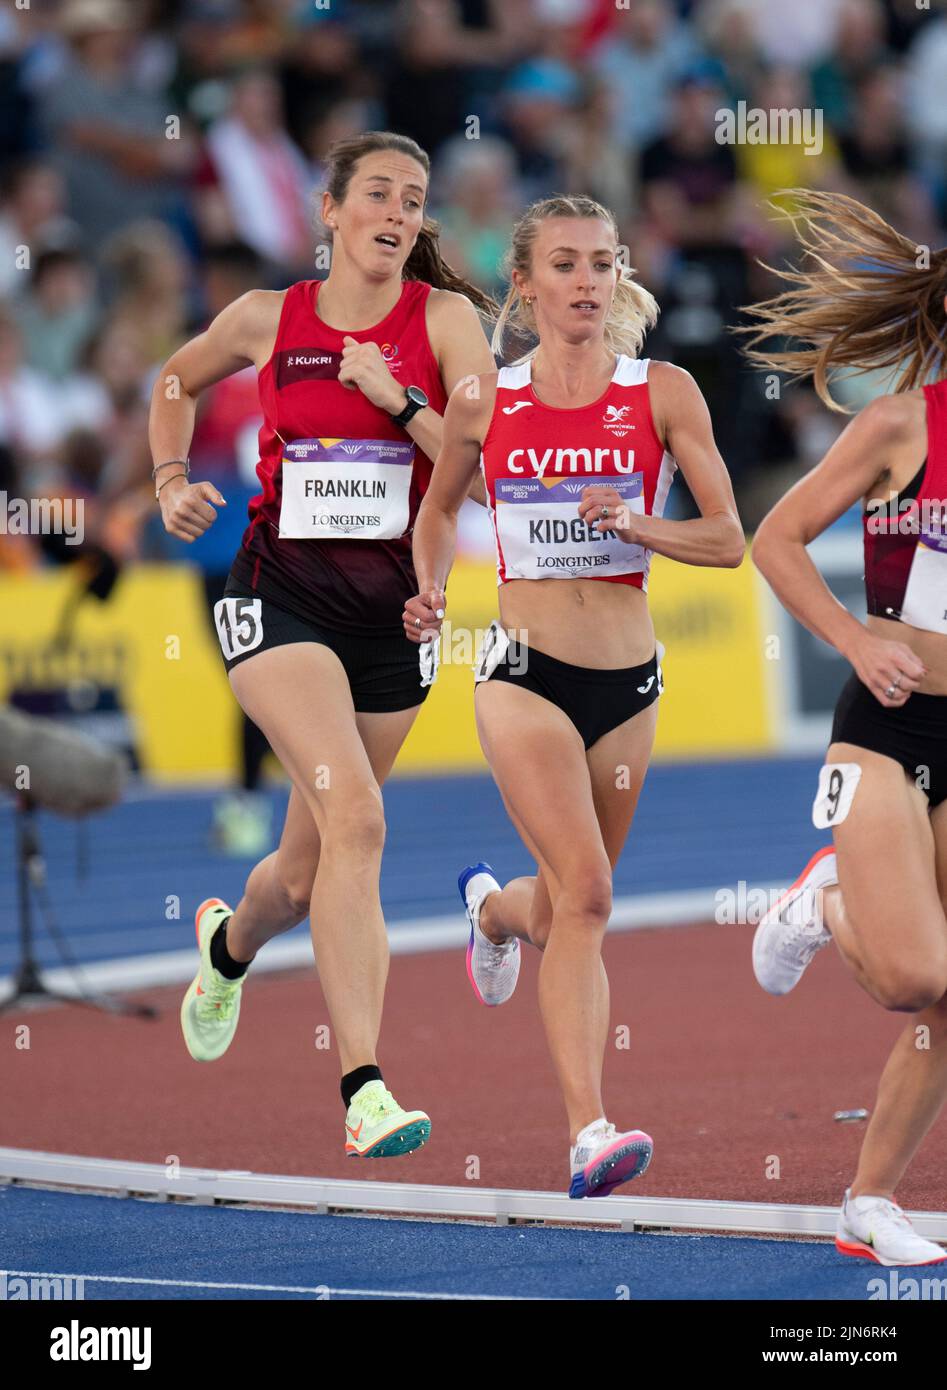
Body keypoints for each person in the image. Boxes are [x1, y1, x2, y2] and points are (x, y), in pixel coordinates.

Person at [150, 131, 496, 1158]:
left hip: (389, 622)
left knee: (304, 877)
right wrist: (169, 480)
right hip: (277, 600)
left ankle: (226, 943)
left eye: (412, 198)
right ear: (329, 211)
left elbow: (478, 466)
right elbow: (174, 380)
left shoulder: (446, 324)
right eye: (377, 193)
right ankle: (364, 1089)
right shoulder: (269, 319)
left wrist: (398, 400)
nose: (395, 211)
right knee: (358, 817)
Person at [405, 194, 744, 1197]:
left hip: (627, 684)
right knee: (592, 894)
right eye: (563, 264)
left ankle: (493, 915)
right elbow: (433, 514)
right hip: (522, 674)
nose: (586, 281)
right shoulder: (484, 401)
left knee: (560, 911)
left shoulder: (664, 392)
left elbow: (727, 540)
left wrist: (640, 525)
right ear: (524, 283)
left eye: (601, 263)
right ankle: (587, 1131)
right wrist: (427, 587)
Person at [742, 190, 947, 1266]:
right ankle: (821, 896)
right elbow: (772, 539)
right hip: (888, 725)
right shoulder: (902, 422)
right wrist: (852, 641)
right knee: (914, 976)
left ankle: (866, 1202)